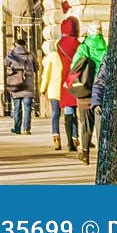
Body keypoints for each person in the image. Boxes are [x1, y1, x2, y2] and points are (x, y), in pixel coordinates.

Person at [70, 22, 108, 165]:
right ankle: (102, 155)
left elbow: (74, 67)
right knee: (101, 124)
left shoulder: (83, 48)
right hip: (102, 91)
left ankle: (85, 153)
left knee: (85, 124)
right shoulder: (106, 48)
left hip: (85, 91)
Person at [47, 16, 83, 152]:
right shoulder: (77, 43)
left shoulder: (59, 44)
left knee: (68, 109)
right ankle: (75, 138)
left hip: (65, 79)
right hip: (76, 77)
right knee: (76, 110)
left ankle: (69, 141)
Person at [3, 37, 36, 135]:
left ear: (15, 45)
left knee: (17, 108)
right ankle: (27, 129)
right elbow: (36, 67)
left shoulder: (12, 55)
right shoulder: (31, 55)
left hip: (16, 85)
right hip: (28, 86)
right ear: (25, 45)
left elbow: (5, 63)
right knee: (27, 108)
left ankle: (17, 129)